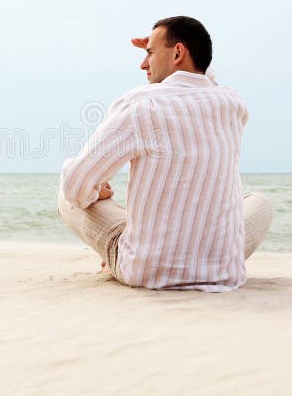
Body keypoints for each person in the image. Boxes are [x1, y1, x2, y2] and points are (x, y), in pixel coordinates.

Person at [57, 16, 273, 292]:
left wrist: (93, 192)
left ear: (178, 52)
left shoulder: (140, 104)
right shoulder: (233, 105)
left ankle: (120, 253)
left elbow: (74, 184)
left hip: (147, 270)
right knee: (260, 202)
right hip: (221, 270)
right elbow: (201, 80)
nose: (143, 63)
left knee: (67, 194)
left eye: (149, 53)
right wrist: (170, 53)